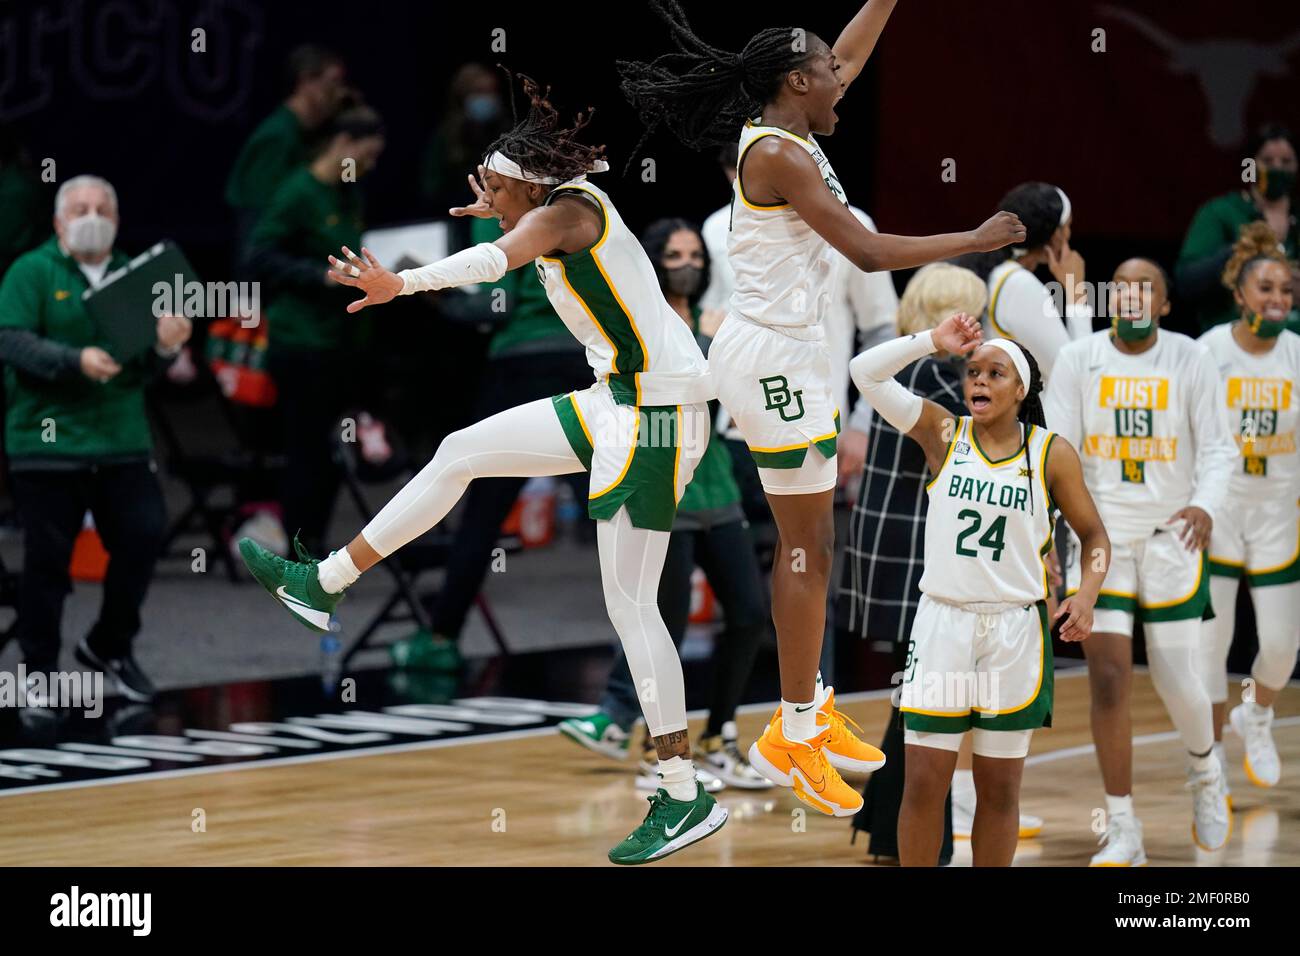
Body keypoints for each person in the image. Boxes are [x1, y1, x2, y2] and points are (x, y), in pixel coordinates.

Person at [238, 76, 726, 865]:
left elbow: (498, 259)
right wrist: (505, 206)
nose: (488, 195)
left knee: (632, 611)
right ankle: (324, 580)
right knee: (461, 450)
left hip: (657, 419)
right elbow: (510, 232)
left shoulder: (566, 213)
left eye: (497, 186)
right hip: (616, 403)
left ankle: (681, 793)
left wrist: (403, 282)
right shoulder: (549, 205)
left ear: (530, 186)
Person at [617, 0, 1024, 817]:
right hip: (772, 358)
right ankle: (791, 729)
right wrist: (972, 238)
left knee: (815, 542)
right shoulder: (778, 154)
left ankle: (802, 712)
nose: (844, 77)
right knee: (806, 544)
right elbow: (868, 252)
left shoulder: (791, 128)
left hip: (790, 356)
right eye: (828, 72)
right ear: (797, 82)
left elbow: (849, 51)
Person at [849, 314, 1109, 866]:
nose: (979, 383)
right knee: (923, 784)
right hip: (944, 623)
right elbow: (864, 373)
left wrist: (1085, 595)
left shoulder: (1050, 454)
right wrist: (929, 342)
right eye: (972, 372)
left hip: (1016, 630)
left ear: (1022, 388)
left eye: (995, 373)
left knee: (999, 791)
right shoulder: (945, 433)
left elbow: (1094, 537)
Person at [557, 218, 770, 792]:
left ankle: (721, 736)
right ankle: (660, 754)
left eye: (696, 253)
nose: (689, 262)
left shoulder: (720, 323)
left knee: (749, 613)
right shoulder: (636, 320)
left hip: (718, 484)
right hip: (660, 485)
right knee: (662, 622)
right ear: (652, 261)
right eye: (674, 253)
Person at [1045, 257, 1239, 864]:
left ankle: (1205, 770)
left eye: (1144, 288)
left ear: (1164, 304)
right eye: (1122, 287)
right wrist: (1054, 538)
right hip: (1100, 538)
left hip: (1170, 537)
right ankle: (1123, 825)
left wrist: (1205, 504)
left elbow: (1218, 447)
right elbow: (1057, 453)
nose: (1131, 296)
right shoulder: (1078, 361)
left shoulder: (1191, 358)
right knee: (1107, 677)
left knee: (1180, 675)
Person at [0, 175, 192, 702]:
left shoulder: (138, 277)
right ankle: (38, 669)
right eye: (80, 207)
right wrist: (73, 360)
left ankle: (109, 645)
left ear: (117, 221)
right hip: (47, 447)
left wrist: (166, 350)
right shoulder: (31, 270)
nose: (91, 215)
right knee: (48, 562)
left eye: (102, 208)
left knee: (144, 536)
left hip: (121, 442)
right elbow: (10, 340)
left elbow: (147, 373)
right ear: (59, 221)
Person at [840, 263, 976, 861]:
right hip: (916, 551)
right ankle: (916, 837)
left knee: (916, 693)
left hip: (882, 544)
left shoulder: (904, 366)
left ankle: (884, 826)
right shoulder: (942, 377)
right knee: (931, 698)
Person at [244, 105, 386, 557]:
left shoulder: (349, 194)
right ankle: (297, 550)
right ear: (342, 145)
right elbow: (259, 256)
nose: (370, 166)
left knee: (333, 452)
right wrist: (318, 277)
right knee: (307, 451)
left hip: (343, 343)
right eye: (366, 155)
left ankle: (317, 549)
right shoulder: (297, 192)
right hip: (302, 344)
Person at [1199, 223, 1300, 789]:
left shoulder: (1297, 355)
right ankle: (1209, 764)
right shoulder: (1209, 351)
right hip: (1220, 510)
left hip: (1279, 512)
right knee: (1211, 644)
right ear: (1240, 294)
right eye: (1266, 289)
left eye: (1285, 291)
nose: (1278, 300)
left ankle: (1257, 712)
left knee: (1283, 647)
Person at [1178, 123, 1299, 335]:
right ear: (1249, 166)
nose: (1277, 168)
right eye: (1267, 161)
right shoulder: (1222, 212)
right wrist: (1241, 250)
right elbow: (1187, 282)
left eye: (1286, 161)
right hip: (1234, 345)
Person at [225, 44, 349, 247]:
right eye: (333, 82)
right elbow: (257, 221)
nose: (341, 93)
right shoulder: (276, 137)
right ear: (306, 81)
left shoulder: (312, 135)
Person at [971, 181, 1093, 383]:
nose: (1070, 234)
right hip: (1026, 415)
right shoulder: (1018, 285)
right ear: (1056, 235)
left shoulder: (996, 273)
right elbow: (1076, 377)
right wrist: (1076, 289)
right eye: (1068, 226)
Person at [419, 63, 513, 215]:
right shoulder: (447, 136)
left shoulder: (508, 130)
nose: (487, 98)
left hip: (501, 214)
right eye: (479, 92)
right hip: (458, 217)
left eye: (491, 91)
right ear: (464, 96)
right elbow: (431, 188)